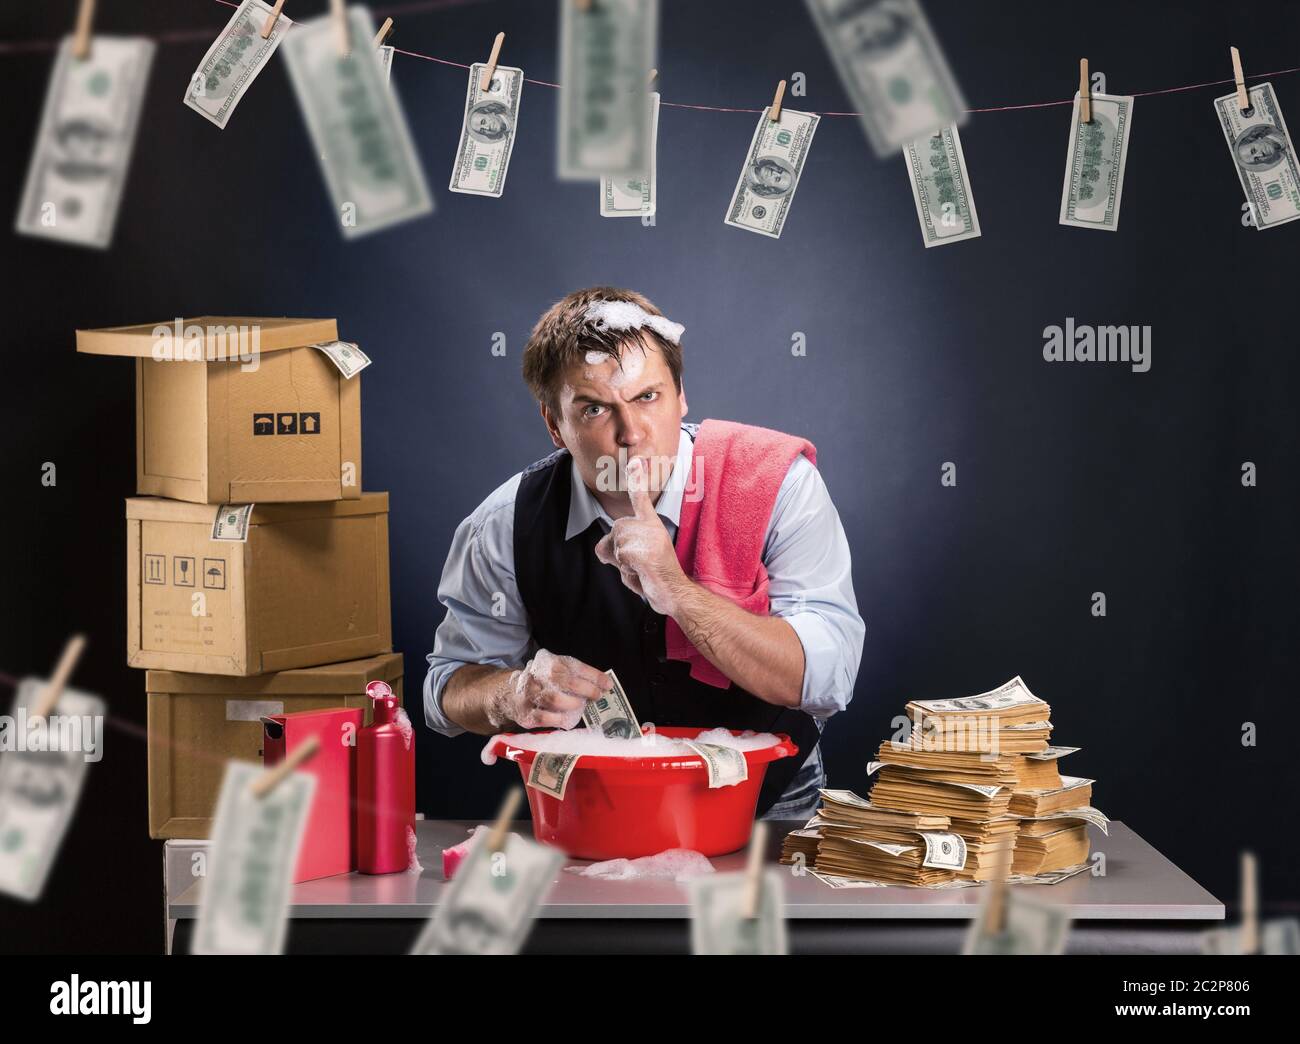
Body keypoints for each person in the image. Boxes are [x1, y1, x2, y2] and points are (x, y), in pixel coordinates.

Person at [424, 286, 864, 817]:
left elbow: (826, 680)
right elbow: (445, 690)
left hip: (767, 797)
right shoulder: (503, 524)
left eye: (648, 398)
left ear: (682, 397)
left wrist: (675, 589)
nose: (631, 433)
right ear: (553, 425)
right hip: (593, 802)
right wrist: (512, 692)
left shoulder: (779, 486)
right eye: (593, 409)